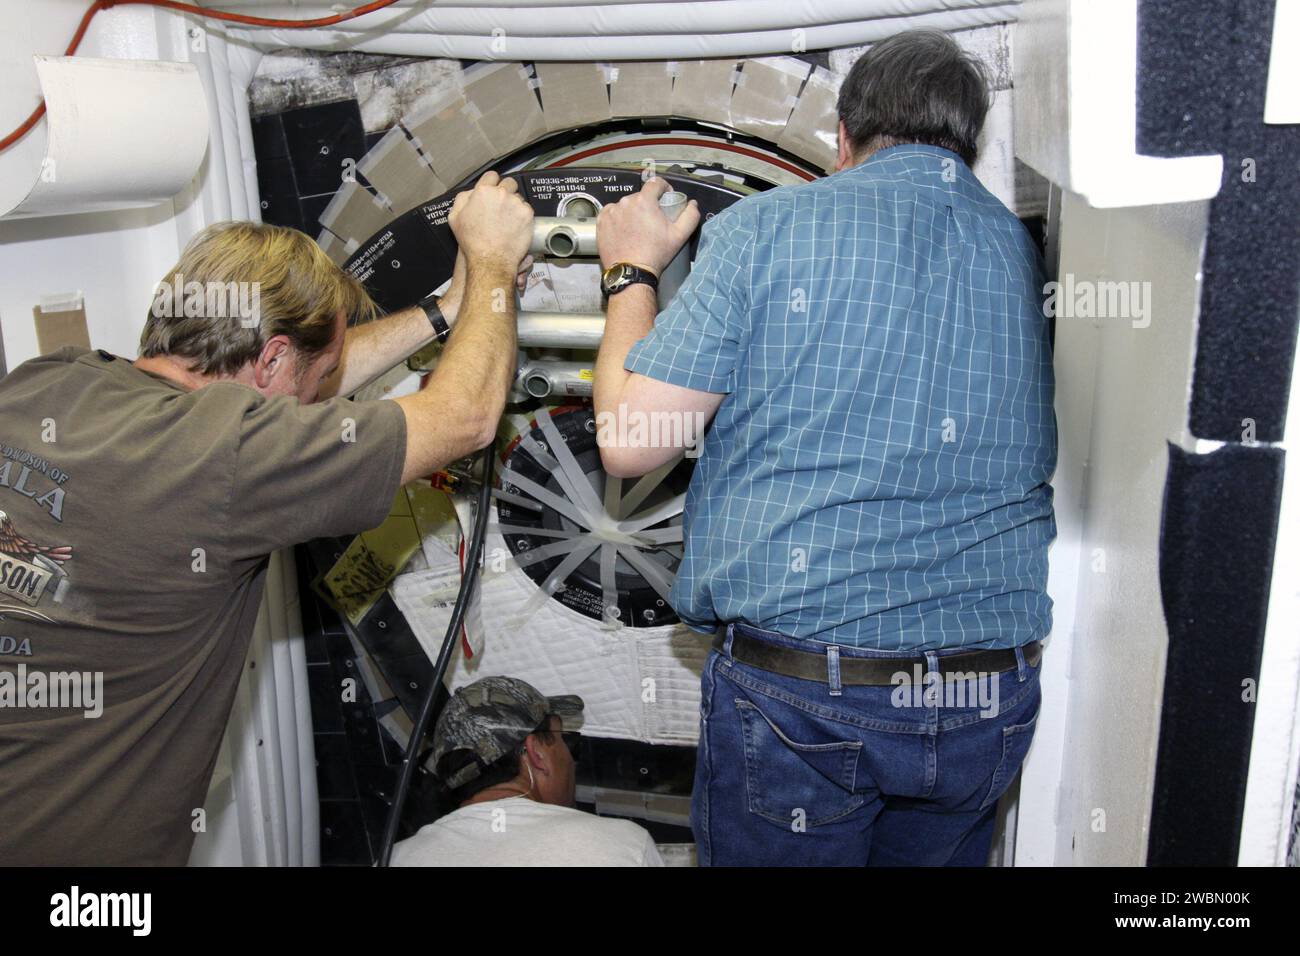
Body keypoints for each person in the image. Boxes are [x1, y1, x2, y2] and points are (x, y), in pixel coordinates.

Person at [592, 30, 1056, 866]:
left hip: (813, 702)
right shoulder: (1018, 251)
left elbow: (630, 441)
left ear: (843, 138)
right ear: (968, 142)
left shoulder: (768, 230)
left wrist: (631, 272)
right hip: (988, 695)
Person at [0, 171, 534, 865]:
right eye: (317, 383)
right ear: (273, 358)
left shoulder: (52, 382)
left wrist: (447, 309)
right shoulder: (228, 461)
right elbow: (463, 419)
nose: (321, 405)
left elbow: (295, 400)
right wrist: (491, 262)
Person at [391, 676, 663, 866]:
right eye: (566, 740)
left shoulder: (396, 858)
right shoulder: (621, 845)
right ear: (536, 753)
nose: (570, 757)